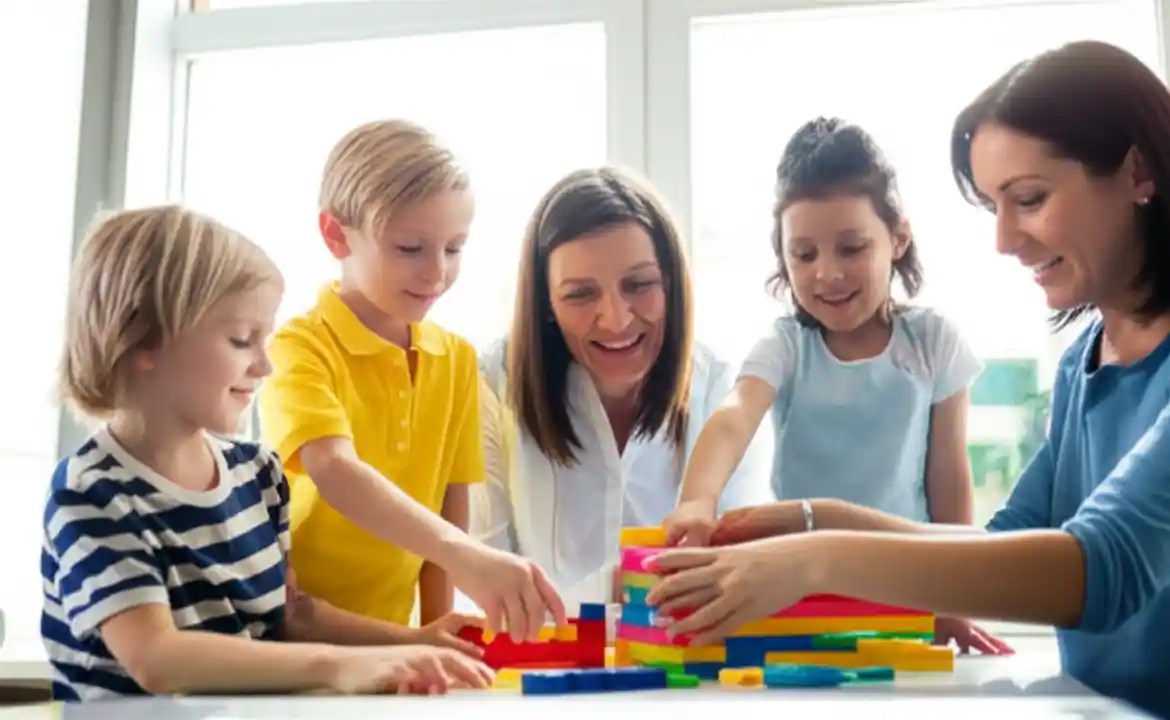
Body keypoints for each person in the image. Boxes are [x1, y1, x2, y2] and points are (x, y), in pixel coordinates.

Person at [644, 41, 1170, 720]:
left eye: (1028, 199)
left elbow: (1105, 568)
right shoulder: (1084, 361)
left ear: (1138, 171)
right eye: (993, 208)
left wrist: (814, 557)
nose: (1005, 240)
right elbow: (1002, 547)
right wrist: (812, 518)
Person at [42, 206, 493, 701]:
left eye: (266, 339)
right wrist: (342, 667)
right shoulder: (92, 491)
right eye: (241, 340)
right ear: (147, 339)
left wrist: (415, 641)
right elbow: (156, 658)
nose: (265, 364)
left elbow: (291, 615)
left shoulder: (255, 474)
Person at [663, 116, 1003, 654]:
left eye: (851, 248)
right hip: (803, 587)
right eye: (804, 254)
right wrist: (696, 501)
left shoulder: (933, 342)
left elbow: (949, 479)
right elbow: (734, 418)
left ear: (897, 237)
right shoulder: (788, 346)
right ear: (783, 256)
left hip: (905, 585)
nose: (827, 274)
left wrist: (952, 600)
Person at [258, 119, 564, 642]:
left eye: (454, 248)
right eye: (410, 248)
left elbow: (450, 501)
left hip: (391, 639)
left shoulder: (457, 359)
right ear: (336, 234)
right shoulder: (299, 347)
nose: (436, 272)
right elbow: (333, 469)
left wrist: (436, 630)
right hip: (292, 630)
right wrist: (464, 554)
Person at [470, 167, 773, 609]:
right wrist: (618, 591)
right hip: (538, 672)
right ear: (547, 305)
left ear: (671, 285)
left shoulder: (720, 390)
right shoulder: (492, 387)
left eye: (639, 285)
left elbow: (742, 578)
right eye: (579, 294)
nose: (616, 319)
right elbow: (486, 596)